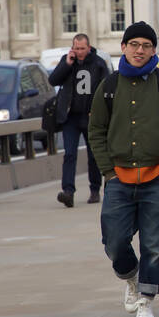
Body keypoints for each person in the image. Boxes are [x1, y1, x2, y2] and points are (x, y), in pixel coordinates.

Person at [88, 22, 159, 317]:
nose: (139, 50)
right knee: (114, 241)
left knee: (154, 245)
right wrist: (108, 171)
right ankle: (131, 277)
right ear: (123, 48)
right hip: (119, 178)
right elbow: (96, 131)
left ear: (154, 50)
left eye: (146, 45)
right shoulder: (108, 86)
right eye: (133, 44)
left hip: (157, 176)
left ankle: (146, 300)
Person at [48, 33, 110, 208]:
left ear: (89, 48)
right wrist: (67, 64)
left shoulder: (98, 63)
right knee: (69, 154)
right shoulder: (67, 61)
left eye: (83, 48)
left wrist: (99, 112)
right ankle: (68, 192)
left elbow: (106, 88)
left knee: (94, 155)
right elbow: (53, 80)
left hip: (91, 116)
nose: (80, 52)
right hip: (71, 117)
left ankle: (95, 189)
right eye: (77, 48)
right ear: (72, 48)